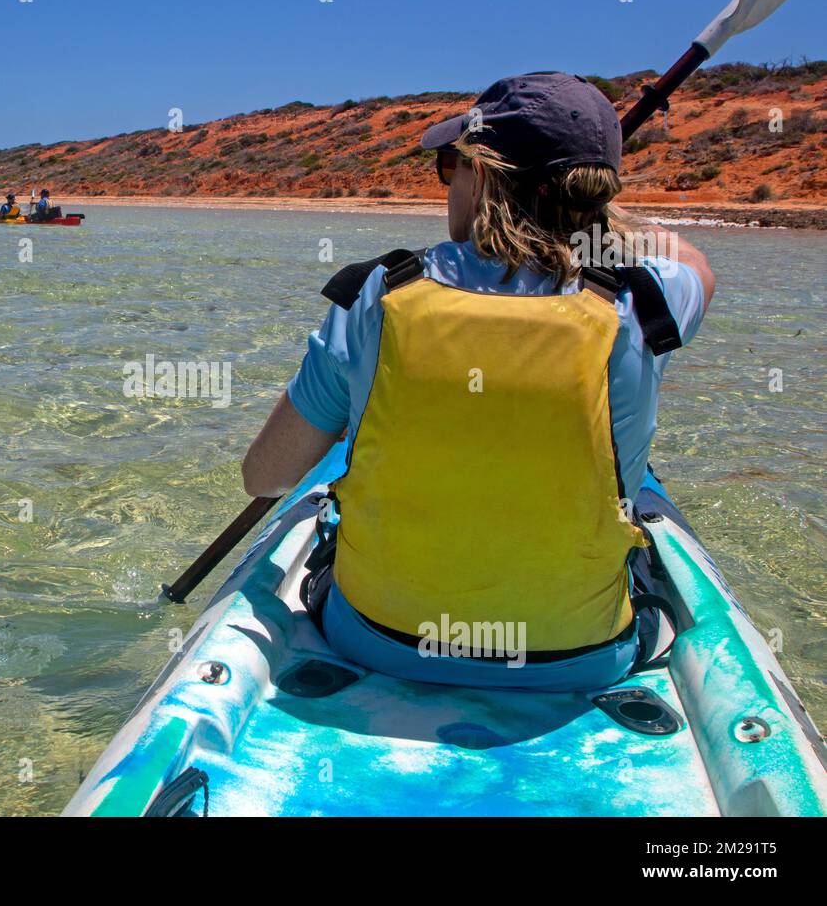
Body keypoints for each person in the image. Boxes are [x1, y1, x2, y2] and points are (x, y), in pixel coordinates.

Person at [241, 72, 715, 692]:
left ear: (483, 175)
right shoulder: (644, 301)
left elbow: (266, 476)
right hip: (580, 657)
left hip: (380, 642)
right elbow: (696, 263)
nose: (445, 187)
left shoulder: (378, 295)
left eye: (449, 165)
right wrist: (602, 219)